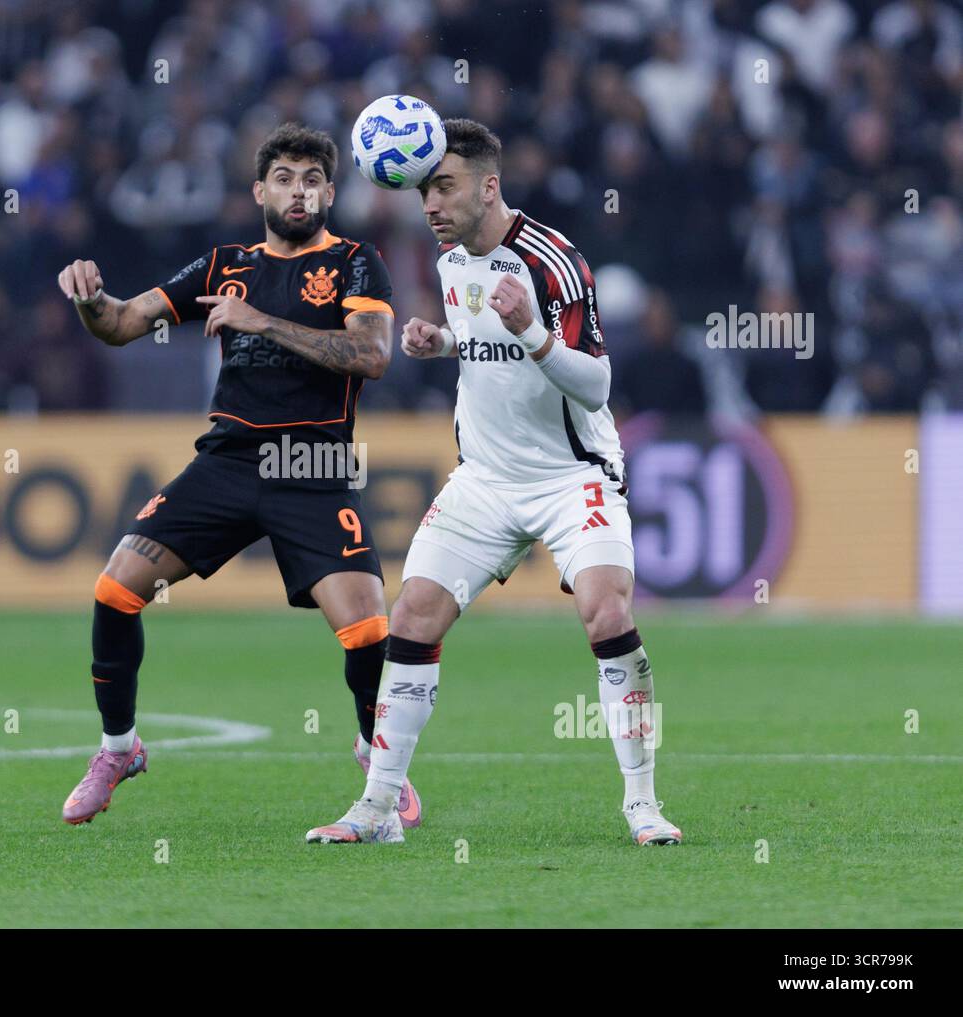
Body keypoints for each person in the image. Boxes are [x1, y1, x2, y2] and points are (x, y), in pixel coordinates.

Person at [307, 120, 680, 846]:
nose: (431, 205)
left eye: (444, 187)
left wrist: (537, 332)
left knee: (607, 615)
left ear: (488, 185)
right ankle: (378, 808)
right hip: (485, 477)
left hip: (573, 477)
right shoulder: (451, 262)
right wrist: (439, 341)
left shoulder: (554, 263)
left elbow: (598, 383)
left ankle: (642, 803)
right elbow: (482, 343)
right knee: (412, 619)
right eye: (423, 191)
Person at [55, 123, 421, 828]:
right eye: (284, 177)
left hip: (313, 465)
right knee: (114, 591)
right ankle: (118, 748)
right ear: (260, 190)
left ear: (329, 192)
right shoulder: (224, 262)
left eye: (312, 179)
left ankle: (381, 761)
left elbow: (372, 356)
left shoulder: (354, 261)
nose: (298, 190)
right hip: (228, 460)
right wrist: (89, 301)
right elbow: (125, 322)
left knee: (370, 631)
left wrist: (260, 321)